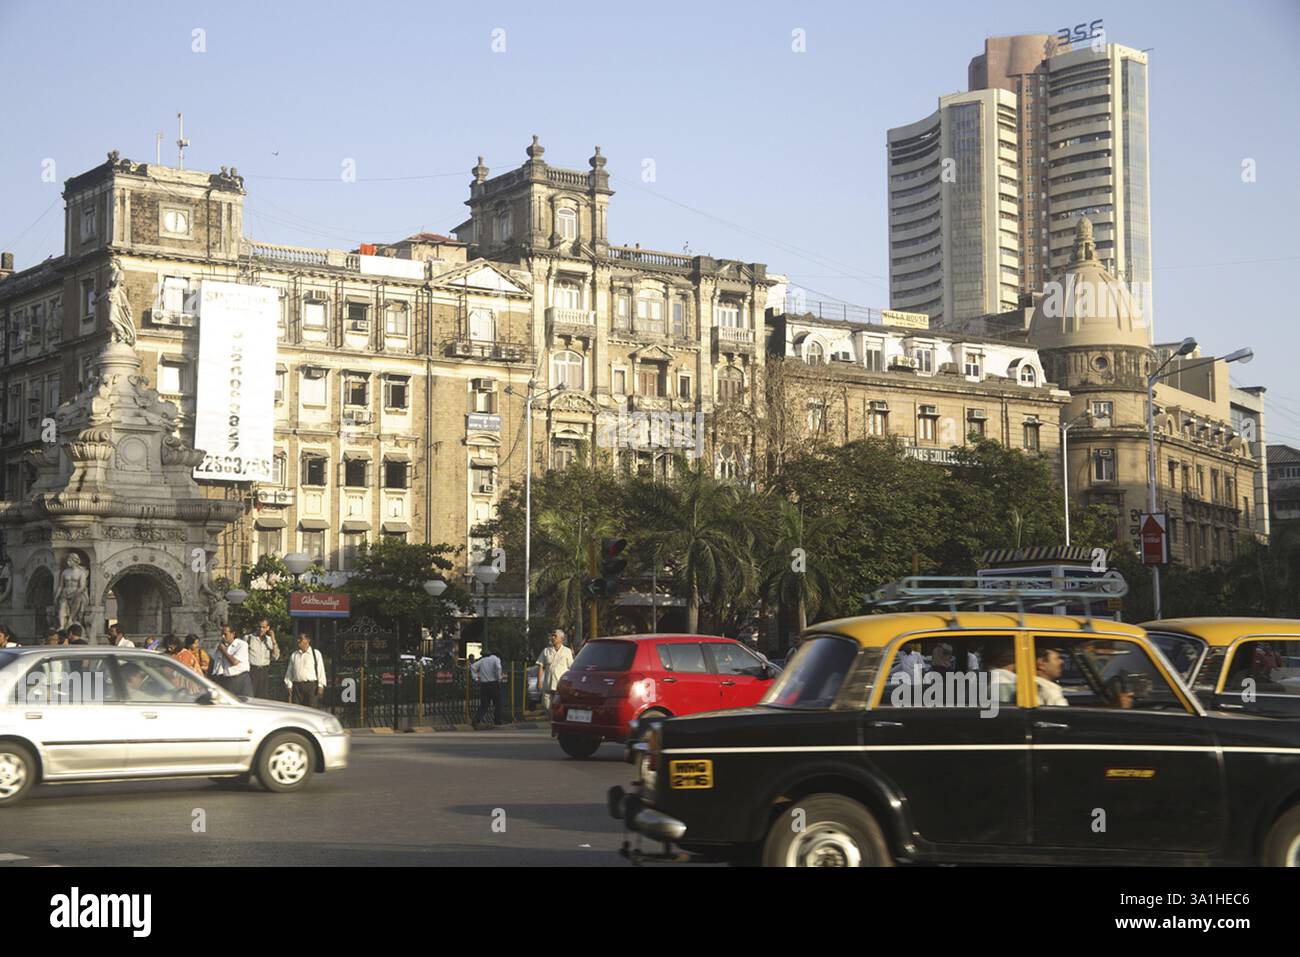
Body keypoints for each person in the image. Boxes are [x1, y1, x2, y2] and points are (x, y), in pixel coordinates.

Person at [283, 632, 326, 708]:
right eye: (298, 638)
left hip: (311, 687)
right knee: (297, 710)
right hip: (297, 687)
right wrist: (289, 685)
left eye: (301, 638)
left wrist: (321, 685)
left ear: (308, 640)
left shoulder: (315, 653)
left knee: (312, 710)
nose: (298, 641)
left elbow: (321, 670)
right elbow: (289, 672)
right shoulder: (294, 655)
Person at [536, 629, 574, 712]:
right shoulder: (546, 651)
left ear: (561, 639)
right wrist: (539, 681)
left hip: (560, 686)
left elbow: (571, 668)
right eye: (552, 635)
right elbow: (540, 666)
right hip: (547, 685)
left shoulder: (567, 651)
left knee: (559, 708)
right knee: (547, 707)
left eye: (555, 636)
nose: (552, 637)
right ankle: (550, 723)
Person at [209, 625, 252, 697]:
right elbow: (215, 663)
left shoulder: (241, 644)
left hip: (240, 679)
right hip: (226, 680)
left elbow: (234, 662)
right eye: (222, 634)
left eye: (225, 634)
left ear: (233, 634)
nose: (223, 637)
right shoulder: (221, 646)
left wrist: (224, 650)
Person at [245, 618, 281, 699]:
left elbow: (276, 657)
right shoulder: (249, 638)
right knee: (250, 695)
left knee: (263, 697)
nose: (261, 629)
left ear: (267, 628)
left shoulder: (269, 640)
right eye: (259, 627)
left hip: (264, 671)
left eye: (263, 627)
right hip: (252, 670)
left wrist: (273, 640)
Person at [473, 649, 503, 728]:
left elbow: (472, 667)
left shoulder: (482, 660)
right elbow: (498, 667)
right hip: (493, 684)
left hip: (484, 685)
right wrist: (499, 678)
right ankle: (497, 721)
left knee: (484, 705)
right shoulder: (496, 659)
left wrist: (476, 678)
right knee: (497, 703)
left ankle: (477, 719)